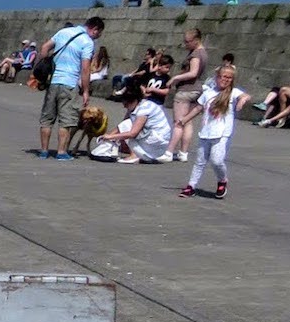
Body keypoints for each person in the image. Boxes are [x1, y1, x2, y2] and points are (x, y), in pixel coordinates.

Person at [176, 65, 251, 198]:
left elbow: (245, 96)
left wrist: (243, 100)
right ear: (217, 77)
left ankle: (222, 180)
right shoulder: (208, 93)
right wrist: (184, 119)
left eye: (229, 77)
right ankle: (191, 186)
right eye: (224, 76)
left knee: (217, 161)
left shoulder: (233, 92)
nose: (226, 79)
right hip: (206, 132)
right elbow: (198, 108)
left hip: (222, 134)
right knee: (200, 162)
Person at [36, 16, 104, 160]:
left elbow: (44, 48)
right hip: (69, 83)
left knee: (47, 118)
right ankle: (61, 152)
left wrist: (44, 68)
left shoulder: (63, 32)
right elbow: (85, 69)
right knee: (67, 120)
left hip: (53, 81)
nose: (97, 38)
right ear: (94, 29)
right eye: (98, 34)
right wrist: (85, 91)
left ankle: (43, 151)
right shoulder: (87, 42)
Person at [162, 28, 208, 162]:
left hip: (186, 90)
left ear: (196, 40)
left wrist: (176, 78)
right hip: (196, 90)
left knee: (178, 122)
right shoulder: (204, 53)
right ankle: (183, 152)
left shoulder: (195, 55)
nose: (185, 44)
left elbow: (193, 73)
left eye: (187, 42)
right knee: (187, 122)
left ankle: (169, 151)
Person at [96, 83, 172, 164]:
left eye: (126, 104)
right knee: (126, 125)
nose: (125, 106)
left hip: (157, 142)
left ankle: (134, 155)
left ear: (134, 101)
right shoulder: (140, 105)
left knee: (127, 124)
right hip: (156, 142)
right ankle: (106, 144)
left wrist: (111, 136)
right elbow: (121, 127)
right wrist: (110, 137)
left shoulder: (144, 109)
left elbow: (133, 133)